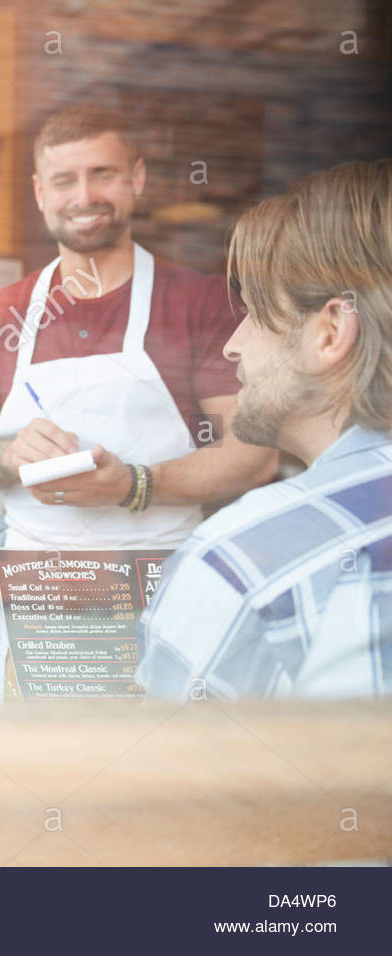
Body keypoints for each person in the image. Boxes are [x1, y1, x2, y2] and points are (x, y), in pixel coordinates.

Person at [0, 105, 278, 701]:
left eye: (103, 174)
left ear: (137, 179)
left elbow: (255, 456)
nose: (85, 195)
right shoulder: (1, 314)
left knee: (153, 770)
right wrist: (11, 457)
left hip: (162, 585)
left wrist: (134, 486)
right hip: (37, 592)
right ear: (41, 193)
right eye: (65, 181)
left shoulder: (199, 303)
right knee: (30, 771)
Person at [137, 160, 392, 700]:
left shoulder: (243, 564)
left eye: (254, 312)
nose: (234, 344)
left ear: (329, 333)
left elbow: (158, 778)